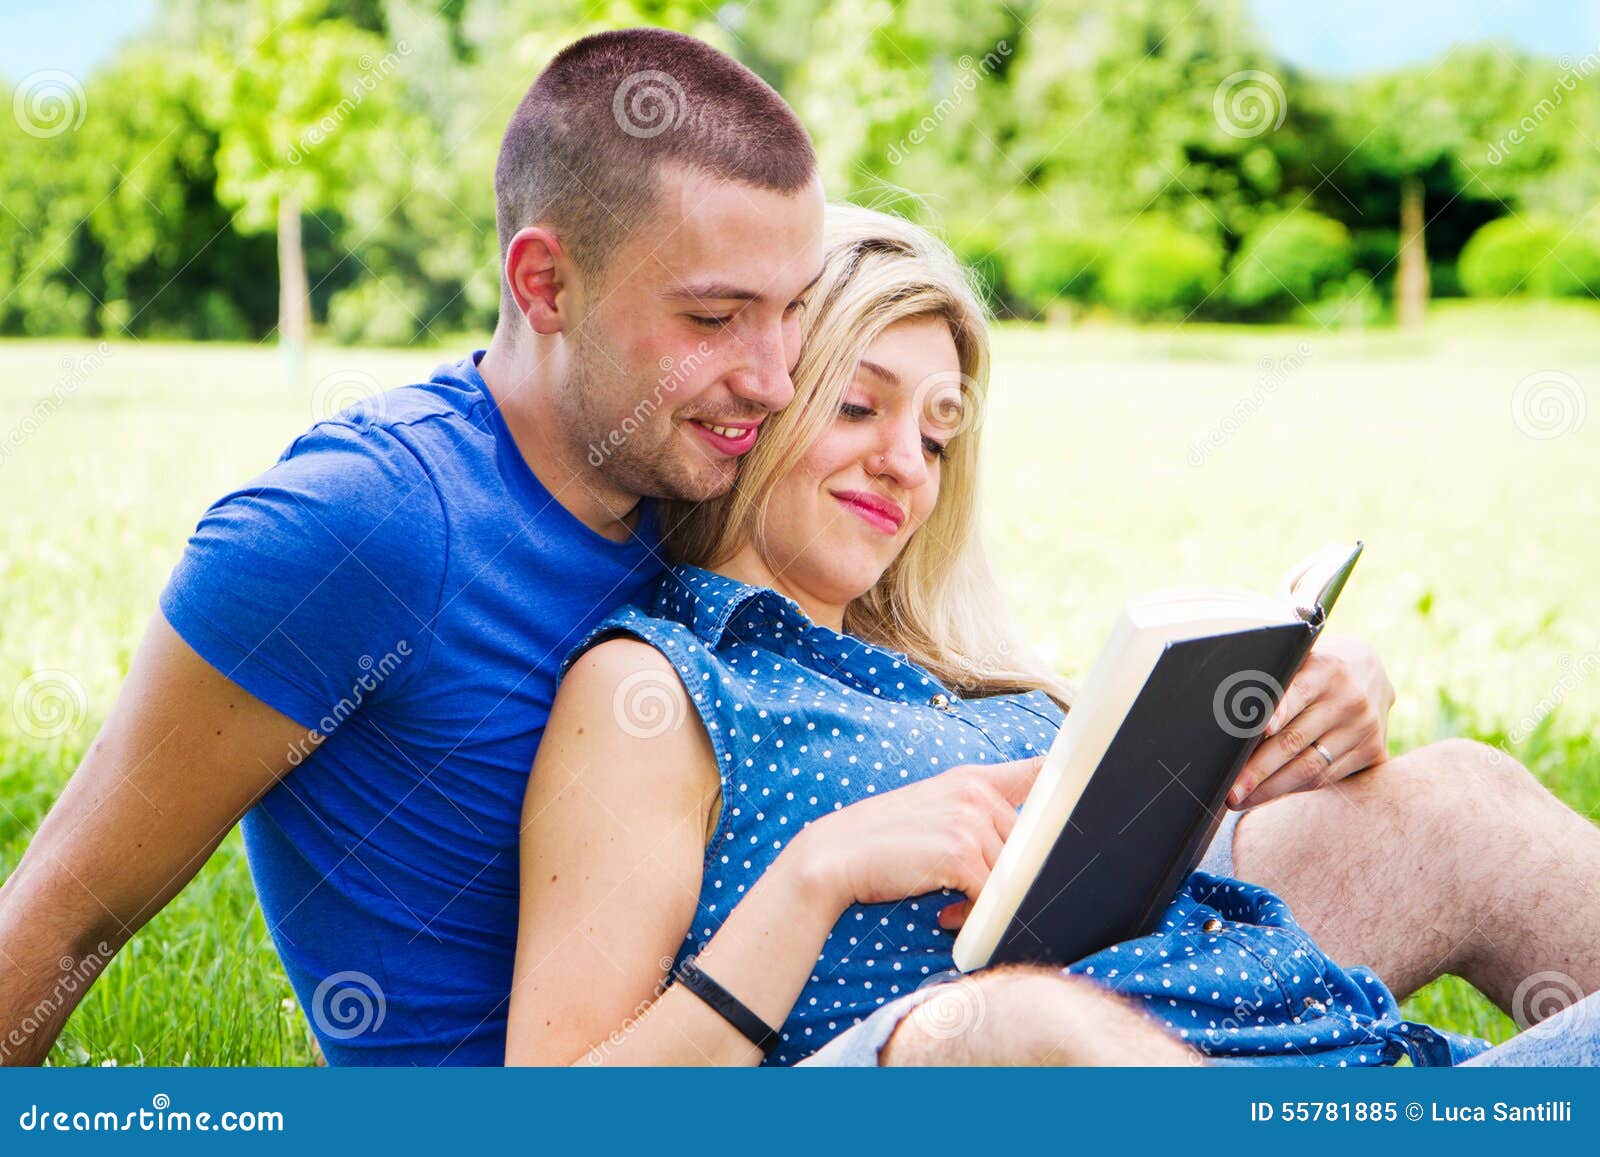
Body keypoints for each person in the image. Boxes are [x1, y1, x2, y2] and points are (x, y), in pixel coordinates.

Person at [504, 204, 1600, 1067]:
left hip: (1302, 1045)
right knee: (1022, 1021)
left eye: (937, 436)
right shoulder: (658, 685)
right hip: (1026, 1055)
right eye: (858, 407)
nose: (906, 464)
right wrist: (815, 872)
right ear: (766, 395)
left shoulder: (942, 675)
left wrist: (1315, 707)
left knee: (1462, 796)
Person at [0, 27, 825, 1066]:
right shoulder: (357, 529)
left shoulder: (710, 486)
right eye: (714, 316)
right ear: (544, 285)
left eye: (793, 311)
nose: (776, 378)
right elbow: (61, 918)